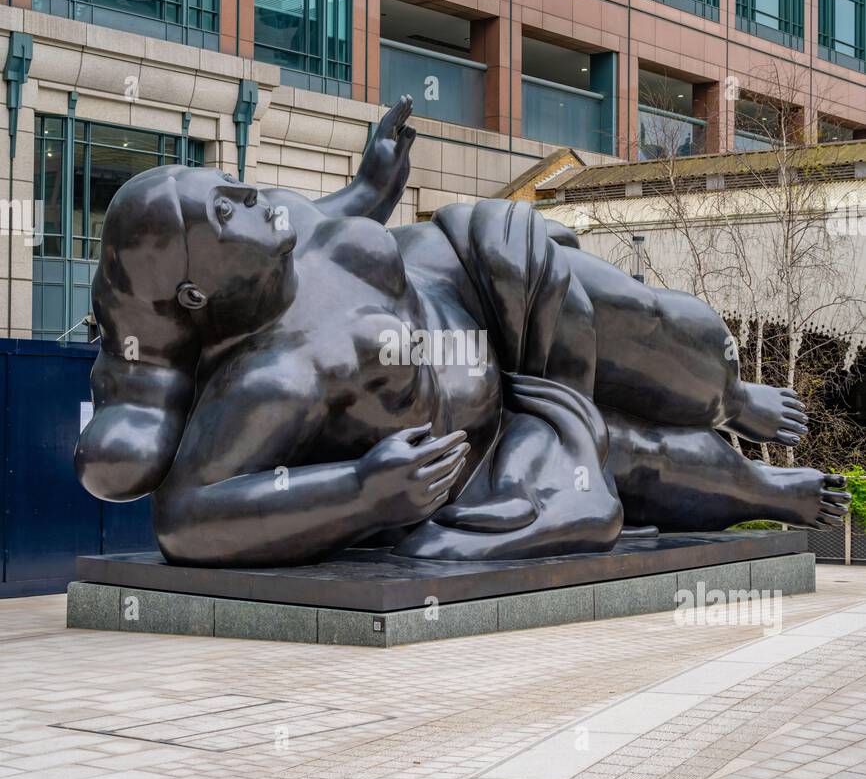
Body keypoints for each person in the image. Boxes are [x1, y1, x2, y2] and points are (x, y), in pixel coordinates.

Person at [76, 99, 849, 566]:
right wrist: (360, 494)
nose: (248, 194)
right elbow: (188, 519)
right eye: (223, 211)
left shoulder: (288, 224)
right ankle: (767, 491)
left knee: (659, 328)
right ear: (195, 289)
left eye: (230, 185)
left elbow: (348, 208)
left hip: (479, 270)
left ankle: (728, 394)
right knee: (624, 453)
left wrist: (373, 182)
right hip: (483, 424)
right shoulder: (270, 379)